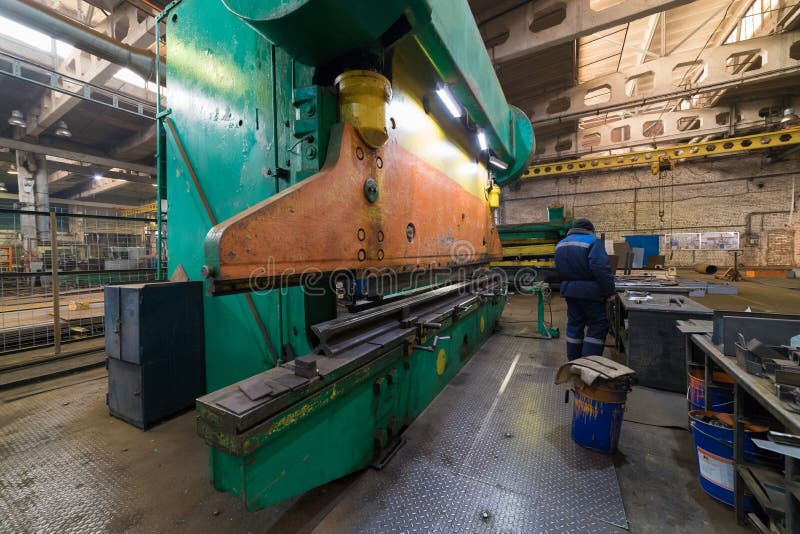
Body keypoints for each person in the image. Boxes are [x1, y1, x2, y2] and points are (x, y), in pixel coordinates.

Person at [554, 218, 615, 360]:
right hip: (591, 293)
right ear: (590, 230)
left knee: (574, 325)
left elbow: (557, 270)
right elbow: (601, 268)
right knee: (598, 325)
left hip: (570, 292)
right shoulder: (593, 242)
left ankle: (574, 363)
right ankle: (589, 365)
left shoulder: (560, 245)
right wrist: (610, 292)